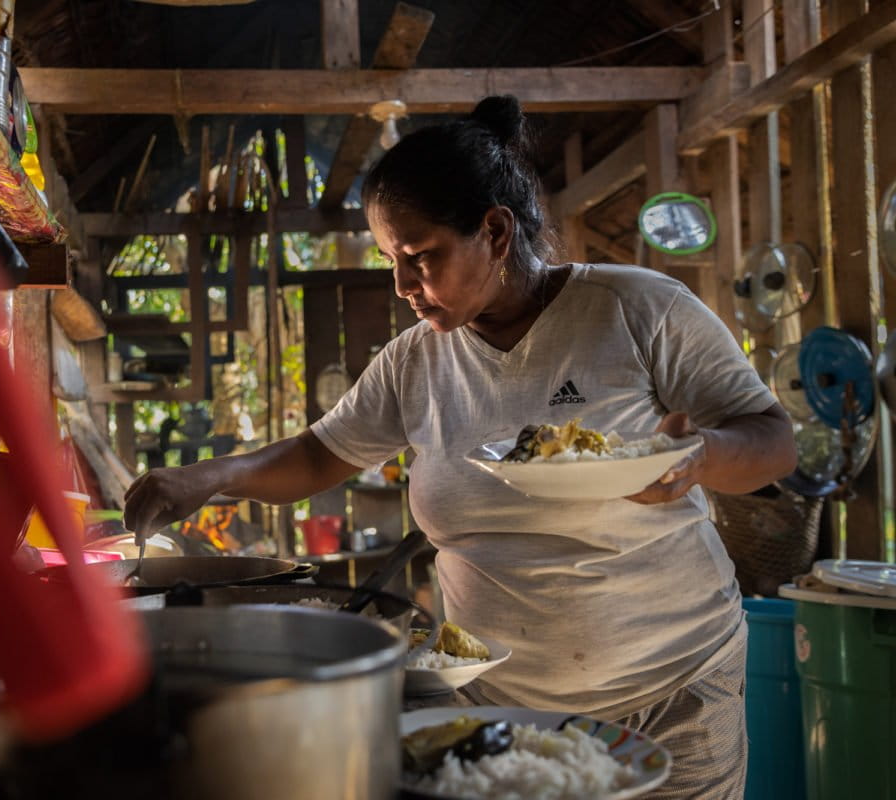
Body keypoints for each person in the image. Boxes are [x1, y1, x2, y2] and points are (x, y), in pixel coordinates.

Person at [123, 95, 797, 799]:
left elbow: (772, 441)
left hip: (674, 693)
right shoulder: (415, 361)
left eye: (419, 257)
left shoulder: (637, 309)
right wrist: (204, 478)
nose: (403, 287)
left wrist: (699, 459)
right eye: (392, 261)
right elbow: (321, 456)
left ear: (496, 232)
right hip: (500, 709)